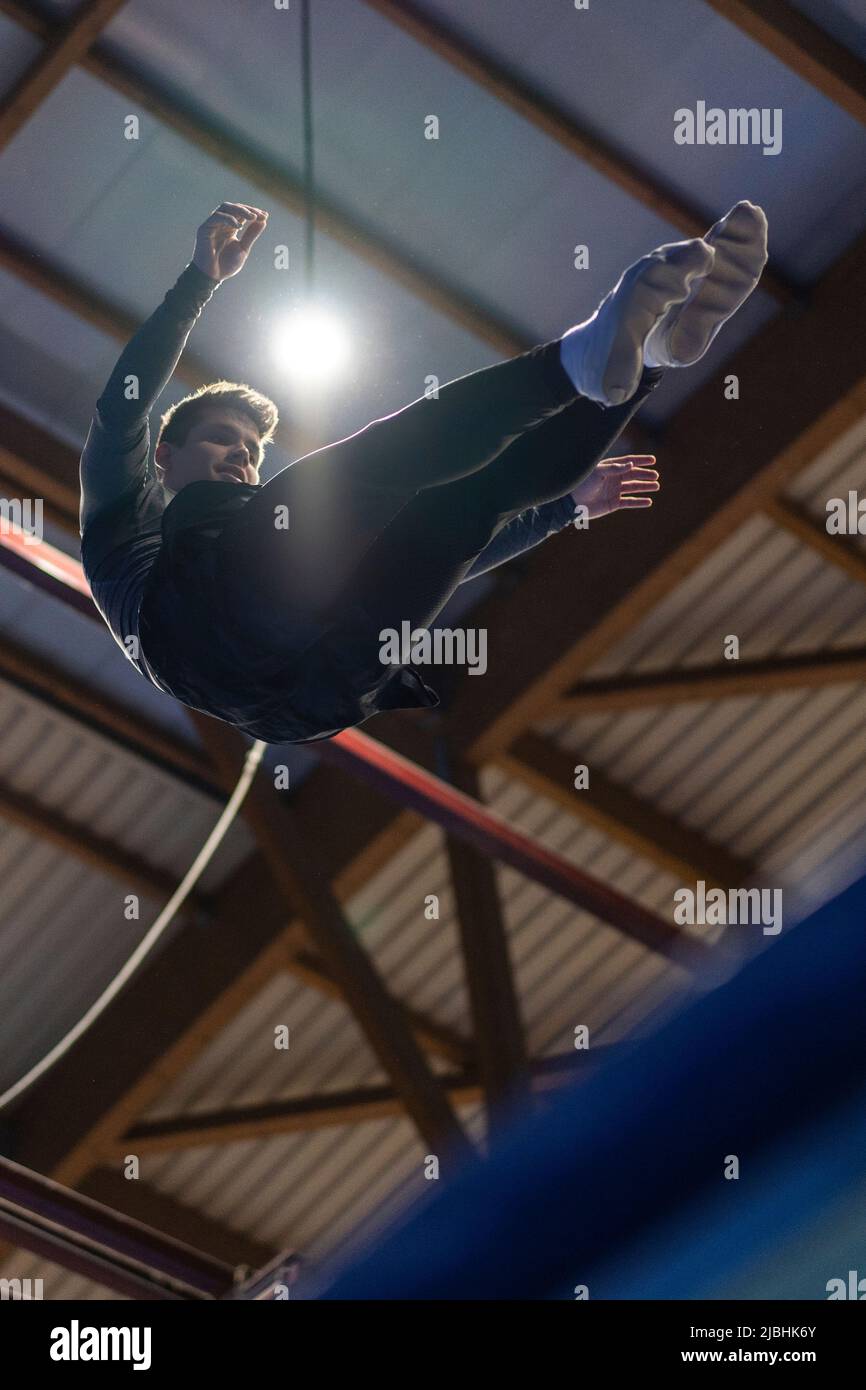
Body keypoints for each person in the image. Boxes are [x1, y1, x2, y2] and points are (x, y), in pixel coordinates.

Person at [79, 200, 767, 744]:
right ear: (164, 457)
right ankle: (574, 363)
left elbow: (447, 554)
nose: (244, 457)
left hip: (316, 682)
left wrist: (561, 508)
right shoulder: (123, 520)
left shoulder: (264, 535)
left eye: (253, 449)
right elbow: (122, 408)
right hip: (209, 641)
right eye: (223, 441)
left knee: (460, 508)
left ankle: (651, 354)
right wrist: (199, 282)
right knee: (359, 476)